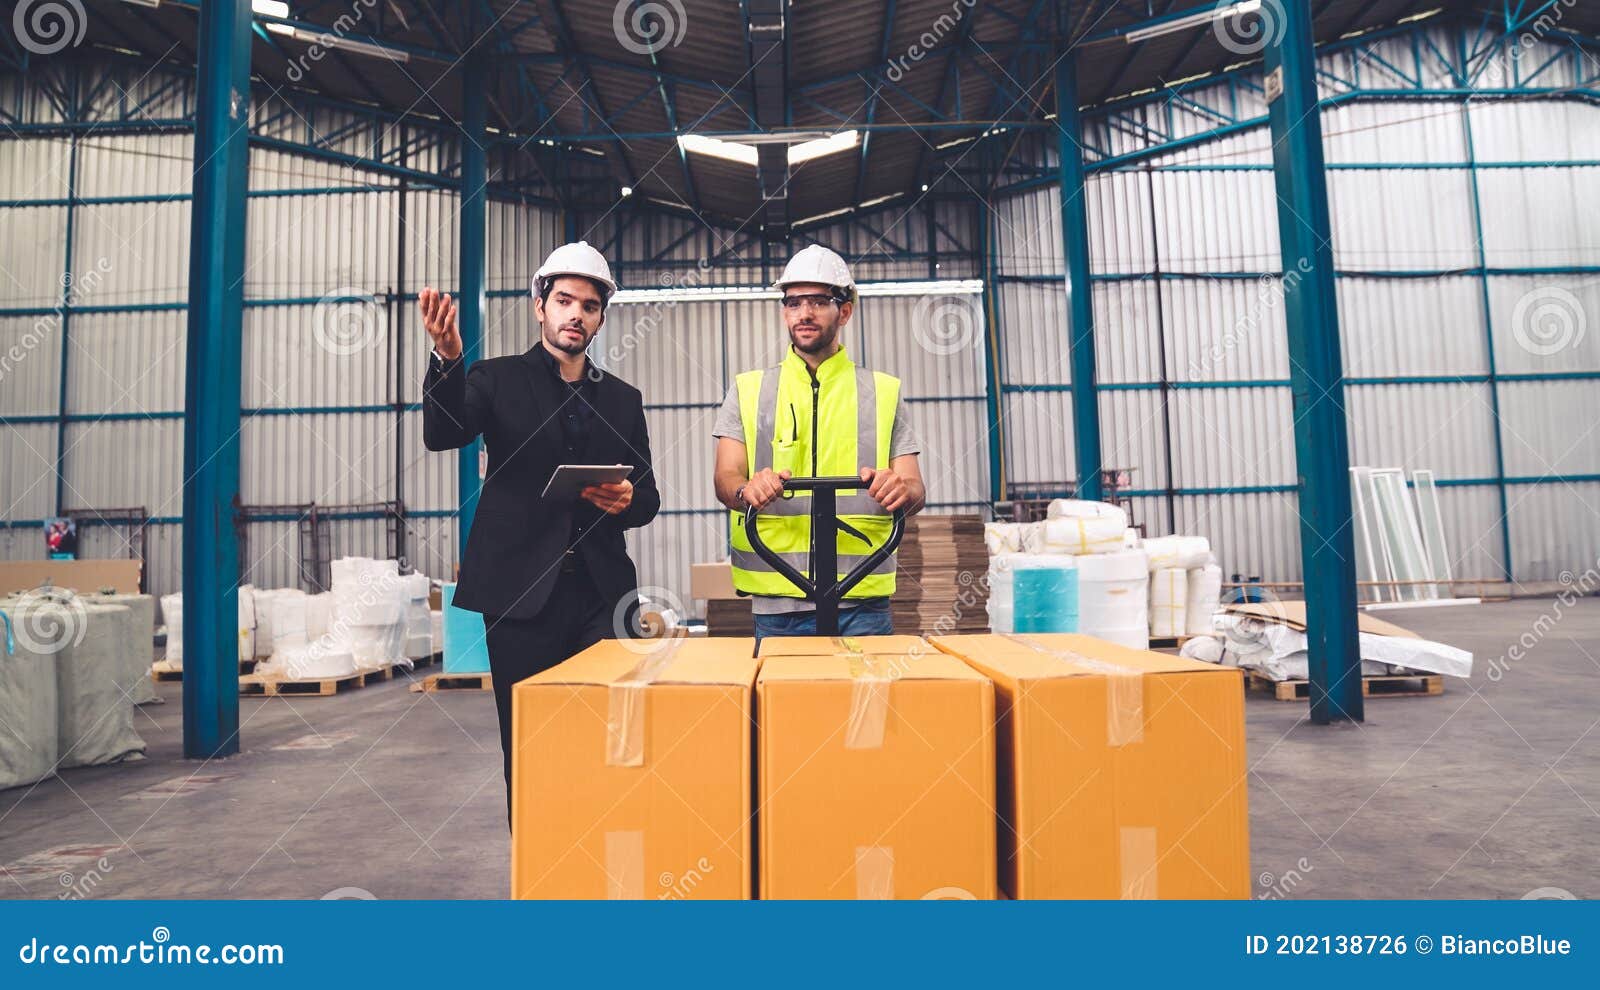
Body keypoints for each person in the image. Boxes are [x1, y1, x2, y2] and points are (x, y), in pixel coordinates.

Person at [419, 241, 659, 824]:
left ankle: (605, 857)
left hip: (602, 597)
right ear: (540, 307)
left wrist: (625, 499)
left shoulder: (623, 401)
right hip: (519, 598)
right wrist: (448, 356)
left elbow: (648, 498)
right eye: (563, 301)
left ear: (601, 318)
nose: (575, 314)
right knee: (529, 743)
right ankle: (539, 869)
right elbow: (443, 431)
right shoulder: (495, 380)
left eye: (588, 306)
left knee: (612, 739)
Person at [711, 244, 925, 645]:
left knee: (867, 709)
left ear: (844, 311)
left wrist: (900, 489)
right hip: (778, 600)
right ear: (784, 311)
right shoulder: (748, 390)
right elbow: (725, 476)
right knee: (786, 709)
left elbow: (915, 488)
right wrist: (746, 490)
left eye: (818, 301)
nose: (804, 313)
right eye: (793, 303)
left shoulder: (883, 392)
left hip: (863, 599)